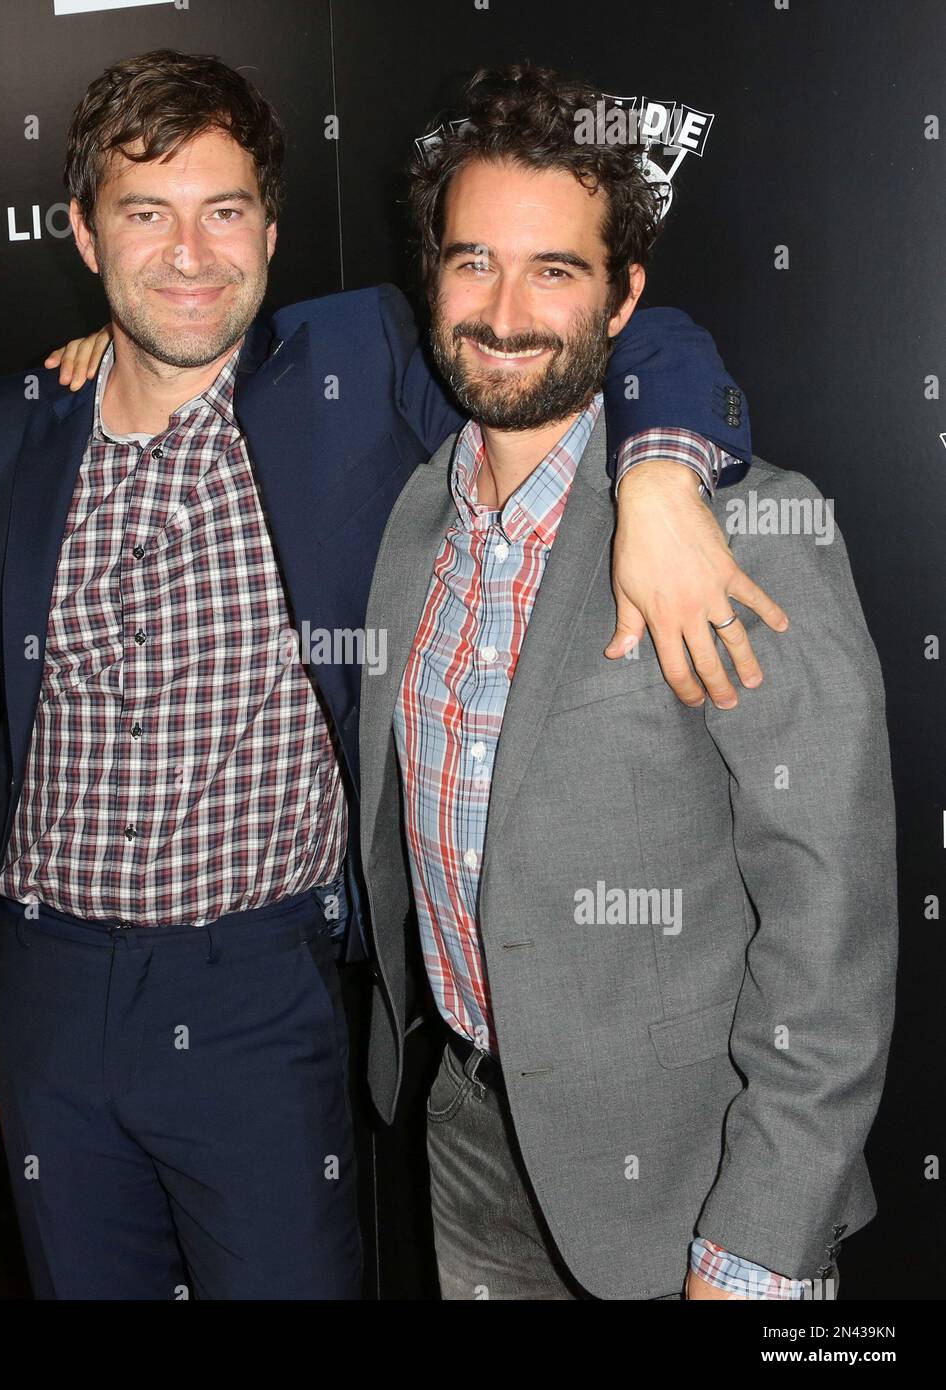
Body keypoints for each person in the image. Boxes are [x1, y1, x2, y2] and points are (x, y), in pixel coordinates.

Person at [0, 49, 784, 1299]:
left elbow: (631, 332)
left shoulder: (360, 363)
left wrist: (662, 470)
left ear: (269, 226)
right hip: (40, 995)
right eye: (144, 215)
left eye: (223, 211)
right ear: (83, 236)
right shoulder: (7, 424)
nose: (189, 253)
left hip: (262, 995)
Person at [357, 62, 897, 1300]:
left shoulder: (747, 533)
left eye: (554, 269)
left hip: (694, 1192)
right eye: (471, 260)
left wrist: (755, 1242)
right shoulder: (407, 522)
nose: (502, 309)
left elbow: (831, 927)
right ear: (430, 273)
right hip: (468, 1140)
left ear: (622, 300)